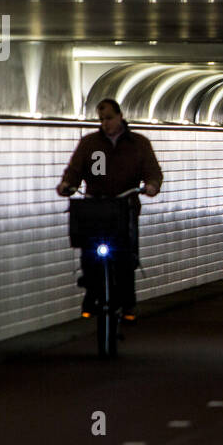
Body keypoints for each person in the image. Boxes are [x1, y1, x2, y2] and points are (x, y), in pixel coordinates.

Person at [57, 98, 163, 319]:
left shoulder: (138, 143)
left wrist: (152, 185)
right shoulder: (90, 144)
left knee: (126, 255)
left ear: (120, 116)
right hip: (96, 207)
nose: (105, 123)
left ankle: (127, 304)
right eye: (102, 119)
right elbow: (75, 170)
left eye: (109, 118)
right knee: (89, 251)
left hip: (125, 206)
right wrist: (67, 184)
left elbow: (152, 170)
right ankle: (91, 293)